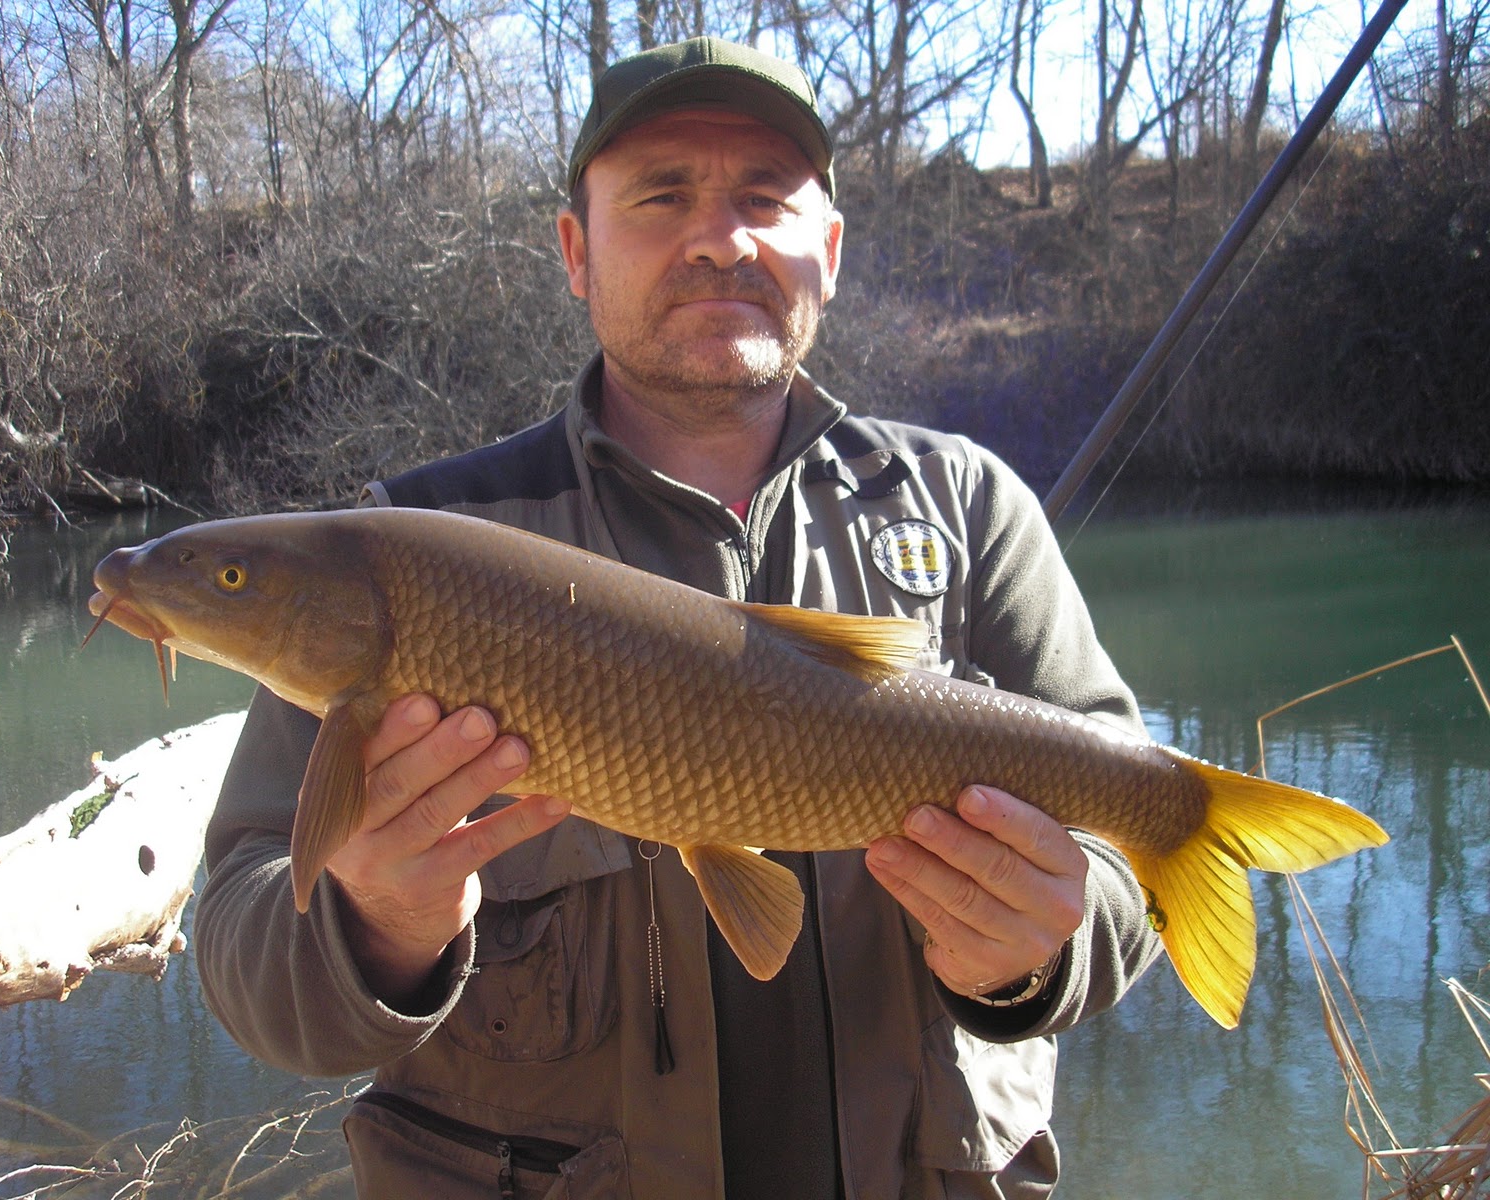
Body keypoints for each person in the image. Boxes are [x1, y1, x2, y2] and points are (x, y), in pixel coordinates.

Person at [195, 35, 1162, 1199]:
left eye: (764, 198)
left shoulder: (968, 508)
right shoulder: (417, 544)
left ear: (831, 252)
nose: (720, 238)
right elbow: (245, 955)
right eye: (662, 196)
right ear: (574, 250)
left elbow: (1135, 853)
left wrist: (1040, 952)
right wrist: (377, 922)